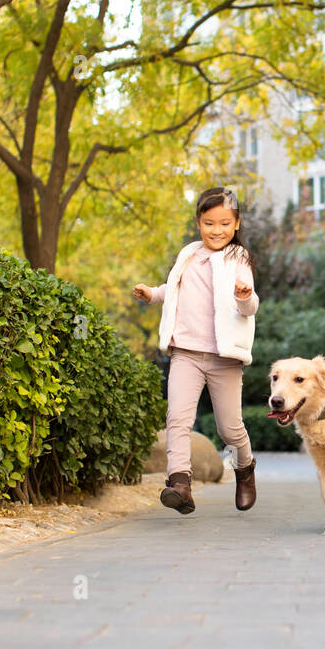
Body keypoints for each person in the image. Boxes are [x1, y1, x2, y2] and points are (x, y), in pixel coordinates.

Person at [132, 187, 260, 515]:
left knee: (229, 428)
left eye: (224, 223)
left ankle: (244, 468)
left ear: (236, 224)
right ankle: (180, 484)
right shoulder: (188, 253)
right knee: (177, 418)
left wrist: (245, 295)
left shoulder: (238, 258)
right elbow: (174, 288)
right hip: (186, 352)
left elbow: (249, 307)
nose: (216, 230)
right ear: (198, 223)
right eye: (208, 223)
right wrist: (152, 294)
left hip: (223, 357)